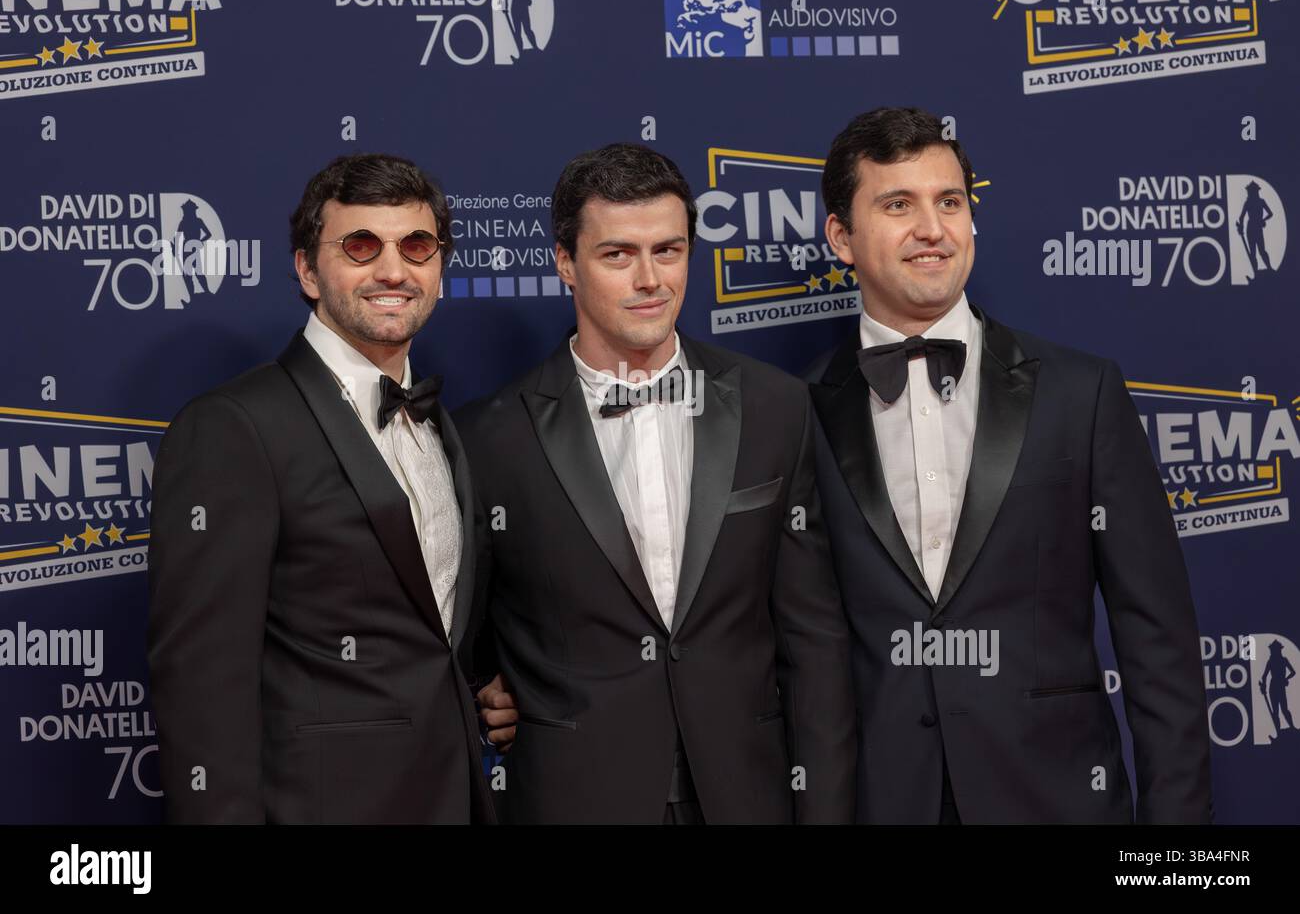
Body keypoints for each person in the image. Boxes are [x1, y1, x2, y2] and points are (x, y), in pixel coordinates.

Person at [807, 107, 1213, 823]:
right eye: (898, 205)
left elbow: (1159, 641)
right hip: (880, 800)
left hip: (1057, 798)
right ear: (842, 237)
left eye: (951, 202)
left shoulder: (1080, 393)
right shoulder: (798, 412)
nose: (933, 228)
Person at [459, 143, 855, 824]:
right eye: (617, 255)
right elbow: (463, 631)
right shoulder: (488, 436)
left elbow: (812, 641)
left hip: (749, 794)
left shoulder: (774, 407)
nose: (650, 279)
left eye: (668, 251)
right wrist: (491, 689)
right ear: (565, 264)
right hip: (572, 798)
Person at [147, 153, 494, 823]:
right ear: (308, 270)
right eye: (361, 247)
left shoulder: (441, 422)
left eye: (416, 246)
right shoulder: (234, 428)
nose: (393, 270)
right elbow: (202, 685)